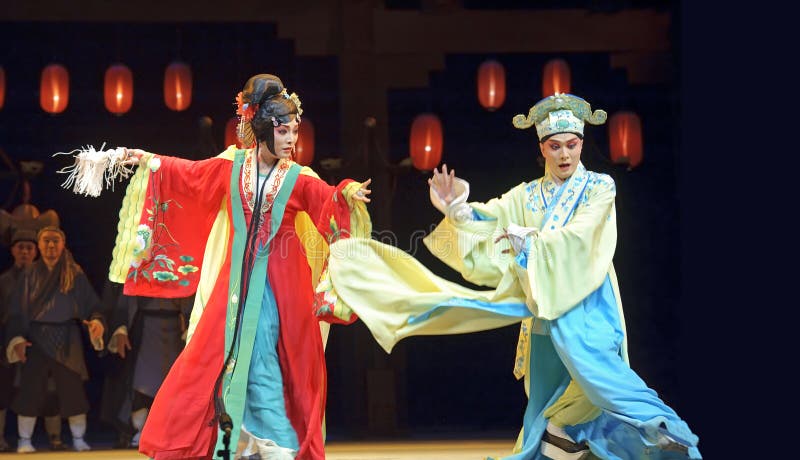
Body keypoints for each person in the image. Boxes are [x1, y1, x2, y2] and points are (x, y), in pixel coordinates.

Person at [321, 93, 701, 459]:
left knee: (604, 382)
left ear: (582, 144)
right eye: (555, 146)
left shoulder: (599, 187)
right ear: (542, 149)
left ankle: (662, 431)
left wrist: (530, 242)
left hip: (588, 306)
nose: (565, 153)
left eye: (571, 144)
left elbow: (581, 236)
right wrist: (457, 209)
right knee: (544, 410)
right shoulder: (527, 195)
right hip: (541, 311)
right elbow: (490, 217)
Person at [84, 74, 372, 459]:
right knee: (206, 358)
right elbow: (182, 172)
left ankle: (275, 443)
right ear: (262, 129)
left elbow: (328, 200)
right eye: (283, 131)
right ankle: (225, 442)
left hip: (284, 285)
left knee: (282, 360)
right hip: (235, 284)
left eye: (294, 131)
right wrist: (131, 156)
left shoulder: (298, 178)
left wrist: (348, 191)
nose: (291, 140)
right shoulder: (231, 167)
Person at [4, 225, 106, 453]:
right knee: (30, 390)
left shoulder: (74, 273)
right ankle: (24, 440)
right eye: (46, 241)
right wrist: (17, 338)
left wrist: (97, 321)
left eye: (55, 241)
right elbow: (17, 311)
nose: (51, 246)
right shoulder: (29, 273)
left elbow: (92, 305)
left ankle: (78, 438)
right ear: (39, 246)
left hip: (68, 338)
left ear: (63, 244)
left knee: (73, 391)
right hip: (36, 338)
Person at [104, 285, 194, 448]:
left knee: (173, 384)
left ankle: (170, 434)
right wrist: (121, 328)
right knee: (141, 382)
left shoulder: (180, 264)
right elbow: (127, 296)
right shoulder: (142, 264)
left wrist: (191, 324)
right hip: (146, 328)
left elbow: (190, 294)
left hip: (174, 330)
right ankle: (141, 431)